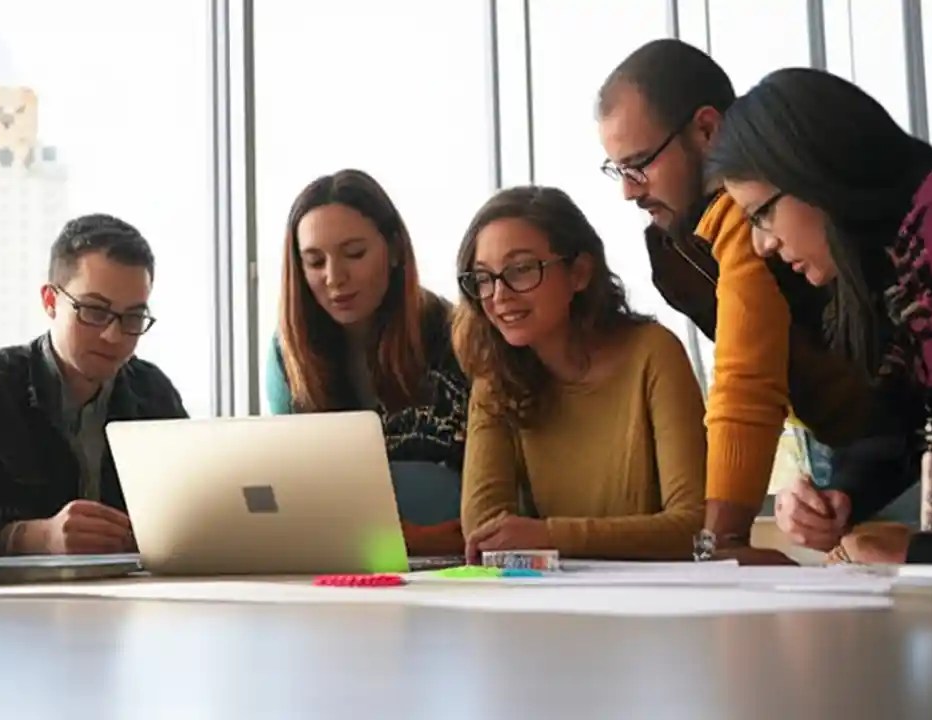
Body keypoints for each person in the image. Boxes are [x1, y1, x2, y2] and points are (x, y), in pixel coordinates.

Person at [595, 39, 871, 562]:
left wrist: (720, 545)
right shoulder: (671, 247)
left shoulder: (743, 215)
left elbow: (746, 382)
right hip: (843, 444)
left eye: (640, 165)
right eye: (617, 170)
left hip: (900, 427)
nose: (629, 192)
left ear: (706, 129)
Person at [708, 67, 932, 564]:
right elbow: (899, 427)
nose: (761, 244)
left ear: (812, 171)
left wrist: (920, 554)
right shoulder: (892, 265)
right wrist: (841, 498)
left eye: (760, 214)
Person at [0, 214, 187, 558]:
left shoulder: (154, 394)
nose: (113, 335)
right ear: (50, 302)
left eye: (133, 318)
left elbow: (191, 510)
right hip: (8, 609)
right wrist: (30, 538)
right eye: (94, 311)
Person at [457, 186, 706, 561]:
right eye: (483, 278)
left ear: (579, 272)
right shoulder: (496, 377)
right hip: (550, 599)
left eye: (521, 269)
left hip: (657, 603)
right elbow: (484, 533)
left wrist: (550, 536)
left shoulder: (653, 353)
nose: (498, 295)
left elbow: (695, 528)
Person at [264, 169, 468, 555]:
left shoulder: (456, 335)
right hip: (342, 561)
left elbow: (498, 494)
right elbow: (297, 492)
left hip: (455, 563)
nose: (334, 277)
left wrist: (418, 541)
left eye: (354, 254)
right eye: (314, 261)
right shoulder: (287, 353)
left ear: (393, 250)